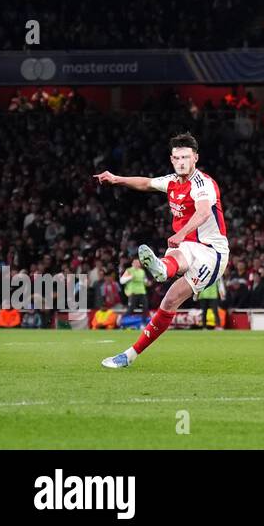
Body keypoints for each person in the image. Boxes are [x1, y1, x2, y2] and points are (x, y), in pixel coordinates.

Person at [95, 132, 232, 368]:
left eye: (186, 157)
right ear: (171, 159)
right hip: (187, 248)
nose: (181, 162)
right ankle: (129, 355)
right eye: (177, 157)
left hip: (212, 253)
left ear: (195, 158)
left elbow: (202, 212)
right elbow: (146, 183)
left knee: (175, 278)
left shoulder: (203, 184)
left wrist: (180, 233)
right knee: (169, 292)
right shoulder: (171, 181)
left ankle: (164, 268)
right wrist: (117, 179)